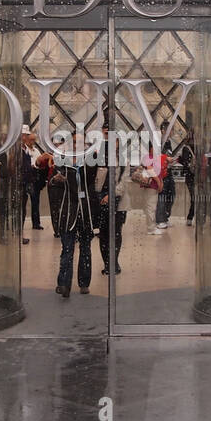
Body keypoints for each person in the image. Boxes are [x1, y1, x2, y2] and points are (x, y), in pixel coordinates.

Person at [55, 136, 98, 297]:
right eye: (73, 142)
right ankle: (64, 283)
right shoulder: (61, 161)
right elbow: (52, 182)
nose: (76, 145)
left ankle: (84, 283)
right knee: (67, 249)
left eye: (80, 142)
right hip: (69, 211)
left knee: (85, 249)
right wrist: (56, 179)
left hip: (85, 210)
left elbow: (99, 178)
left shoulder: (91, 161)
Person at [96, 127, 128, 275]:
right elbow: (96, 181)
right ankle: (107, 263)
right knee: (103, 234)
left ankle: (113, 262)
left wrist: (111, 195)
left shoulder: (124, 160)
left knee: (115, 233)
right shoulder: (100, 158)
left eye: (114, 140)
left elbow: (123, 183)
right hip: (102, 201)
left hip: (118, 202)